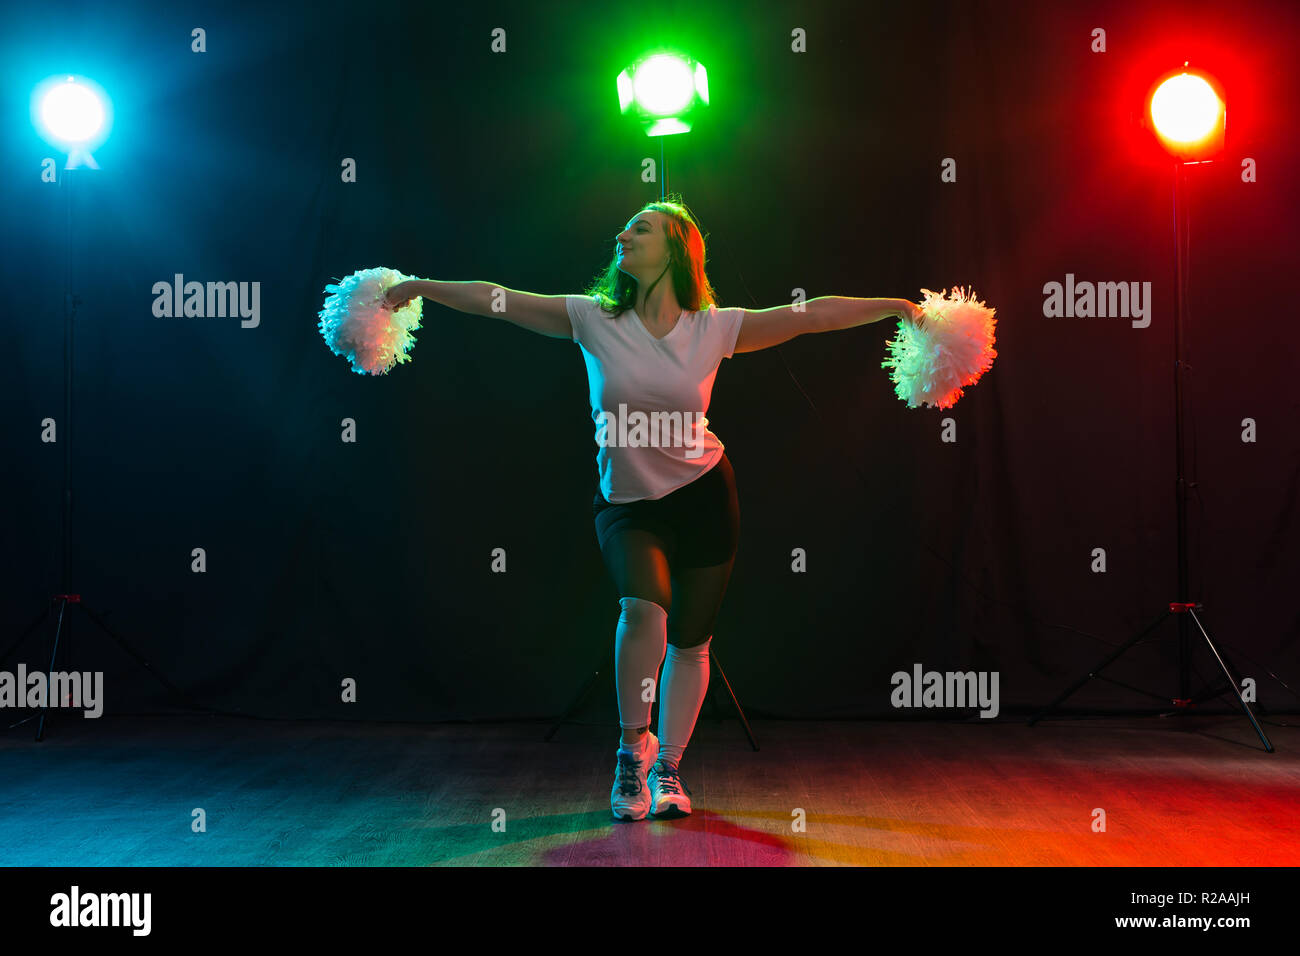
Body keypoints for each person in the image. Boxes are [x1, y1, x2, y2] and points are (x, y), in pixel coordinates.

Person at [383, 197, 922, 822]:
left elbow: (809, 316)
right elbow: (495, 296)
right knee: (643, 611)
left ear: (678, 247)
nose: (622, 233)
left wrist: (897, 307)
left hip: (705, 495)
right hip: (627, 503)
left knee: (692, 643)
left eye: (639, 228)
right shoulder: (590, 318)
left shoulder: (715, 327)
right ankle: (630, 757)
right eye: (625, 227)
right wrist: (415, 287)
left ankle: (669, 771)